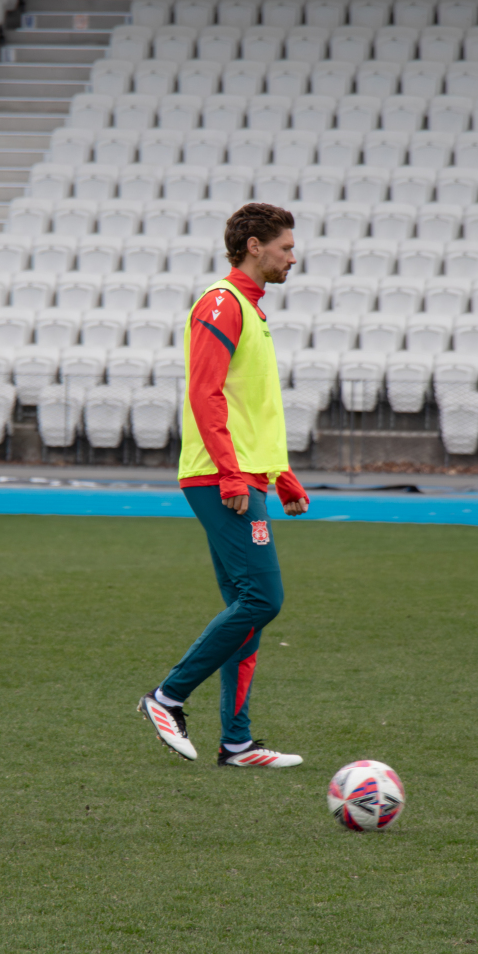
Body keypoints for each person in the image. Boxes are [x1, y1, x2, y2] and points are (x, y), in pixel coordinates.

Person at [138, 204, 310, 769]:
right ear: (255, 245)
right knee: (264, 598)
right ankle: (166, 697)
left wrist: (279, 475)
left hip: (241, 474)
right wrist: (235, 474)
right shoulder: (222, 303)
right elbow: (206, 393)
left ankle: (236, 742)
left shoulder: (251, 310)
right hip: (220, 476)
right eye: (285, 247)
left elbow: (251, 408)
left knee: (247, 607)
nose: (293, 256)